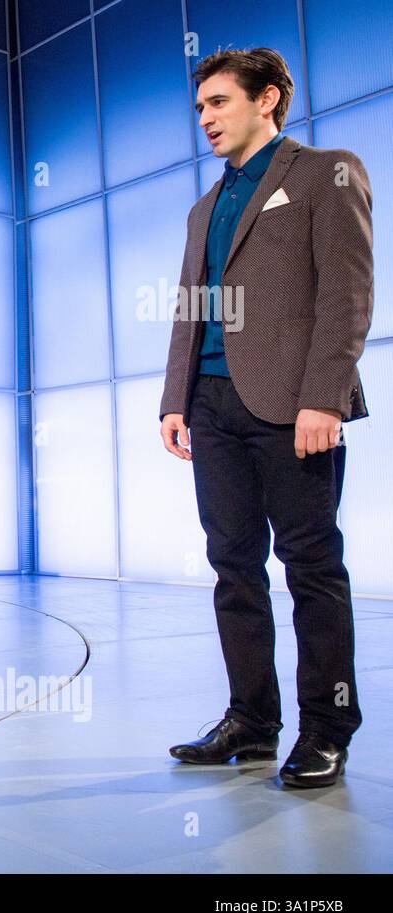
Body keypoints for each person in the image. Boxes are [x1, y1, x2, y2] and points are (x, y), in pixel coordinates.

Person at [159, 49, 372, 788]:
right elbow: (191, 307)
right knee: (232, 568)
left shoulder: (325, 173)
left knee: (312, 568)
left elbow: (347, 294)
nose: (206, 119)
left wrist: (326, 396)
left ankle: (326, 729)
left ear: (268, 99)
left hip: (294, 405)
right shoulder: (203, 207)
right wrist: (173, 399)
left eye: (219, 103)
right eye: (200, 108)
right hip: (213, 407)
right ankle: (251, 721)